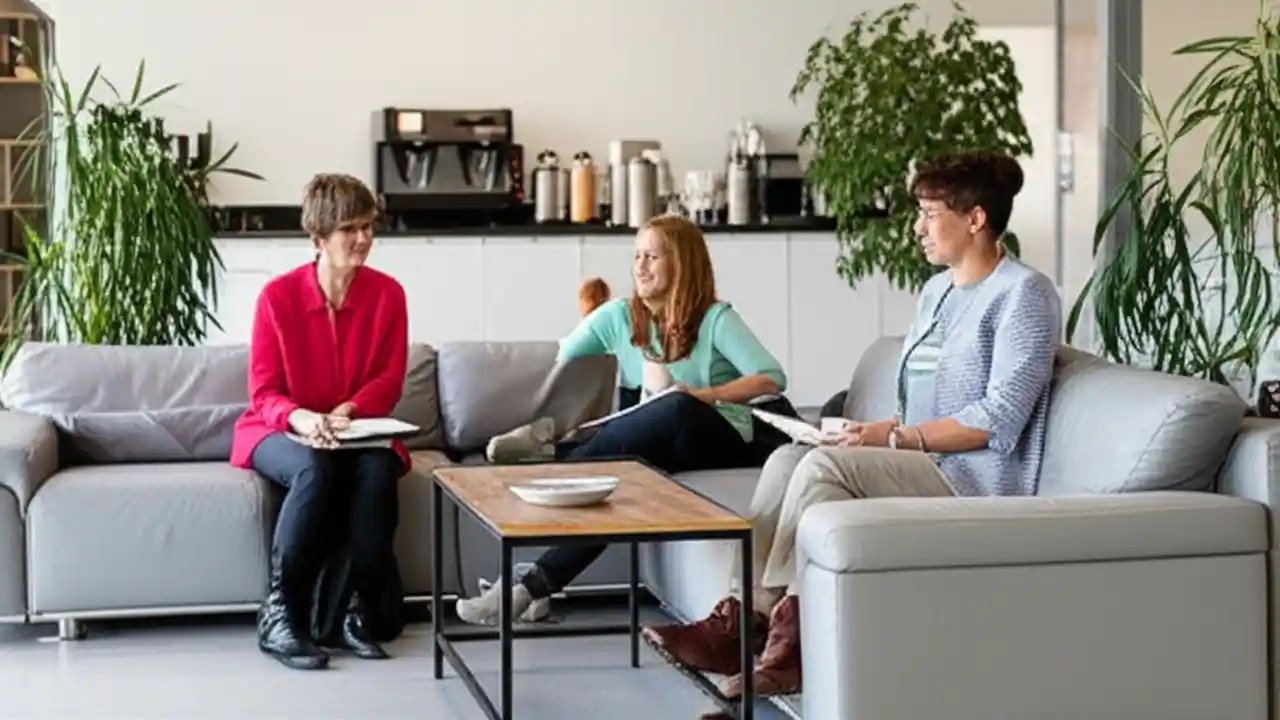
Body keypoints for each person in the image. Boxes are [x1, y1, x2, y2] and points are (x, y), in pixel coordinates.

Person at [642, 150, 1062, 711]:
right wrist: (875, 429)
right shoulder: (938, 292)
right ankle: (751, 621)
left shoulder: (1024, 294)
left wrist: (892, 441)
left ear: (976, 219)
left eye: (930, 214)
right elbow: (922, 405)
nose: (917, 227)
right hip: (922, 458)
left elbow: (999, 416)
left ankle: (769, 636)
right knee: (792, 457)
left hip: (975, 478)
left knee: (822, 467)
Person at [455, 214, 789, 626]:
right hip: (652, 442)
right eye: (636, 256)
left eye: (652, 256)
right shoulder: (619, 317)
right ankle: (532, 589)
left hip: (717, 432)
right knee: (622, 479)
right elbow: (561, 355)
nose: (639, 267)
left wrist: (703, 394)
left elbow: (773, 376)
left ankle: (555, 454)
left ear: (681, 264)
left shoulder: (716, 319)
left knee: (674, 407)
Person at [230, 173, 410, 670]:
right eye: (350, 229)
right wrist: (304, 418)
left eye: (369, 226)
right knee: (314, 468)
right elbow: (263, 392)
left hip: (356, 428)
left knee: (376, 472)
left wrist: (347, 412)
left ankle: (350, 612)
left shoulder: (388, 295)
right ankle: (280, 613)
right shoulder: (277, 298)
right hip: (278, 429)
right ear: (318, 239)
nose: (364, 239)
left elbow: (389, 379)